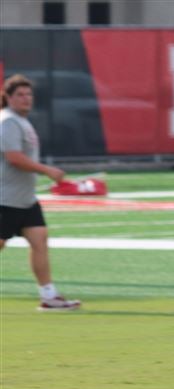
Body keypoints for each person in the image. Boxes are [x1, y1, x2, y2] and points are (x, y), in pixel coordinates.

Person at [0, 74, 81, 311]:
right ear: (8, 98)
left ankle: (49, 296)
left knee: (40, 239)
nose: (26, 99)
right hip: (6, 199)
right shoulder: (8, 122)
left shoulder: (21, 121)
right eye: (20, 95)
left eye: (29, 94)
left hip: (24, 199)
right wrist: (47, 170)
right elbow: (14, 158)